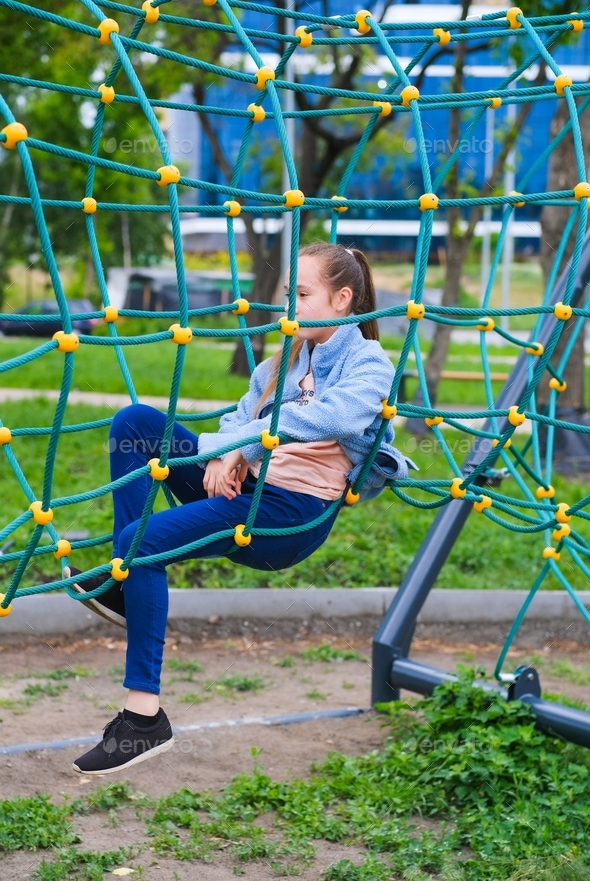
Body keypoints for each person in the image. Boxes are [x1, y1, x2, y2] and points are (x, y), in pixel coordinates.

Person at [69, 241, 412, 775]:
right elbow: (238, 416)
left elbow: (332, 419)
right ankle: (123, 581)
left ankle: (143, 721)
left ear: (342, 298)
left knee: (140, 545)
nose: (288, 307)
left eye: (301, 294)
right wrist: (225, 451)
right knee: (135, 424)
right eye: (286, 294)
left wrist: (242, 447)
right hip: (243, 490)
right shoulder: (284, 360)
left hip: (288, 514)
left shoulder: (368, 363)